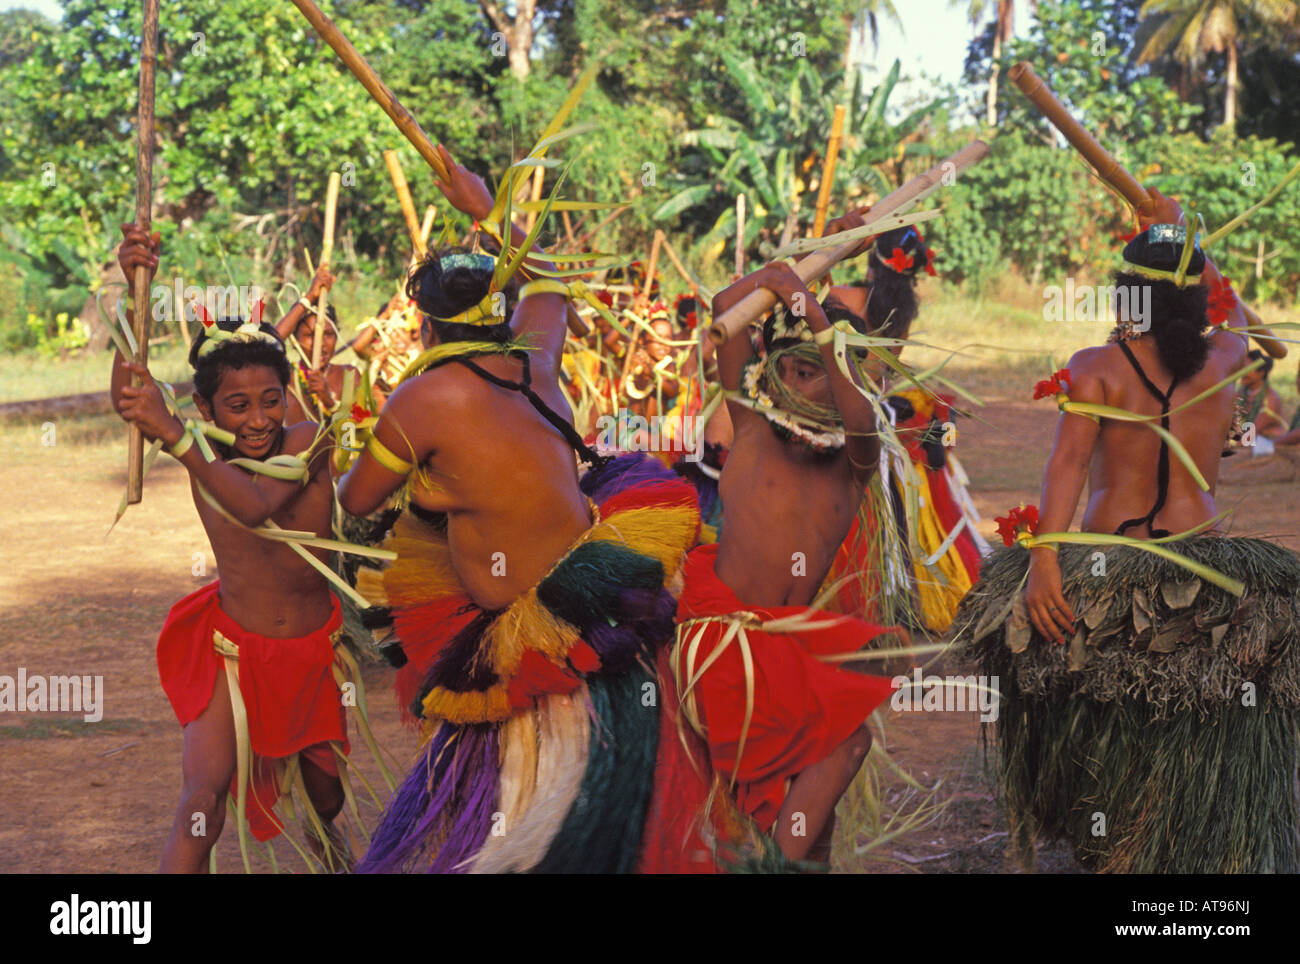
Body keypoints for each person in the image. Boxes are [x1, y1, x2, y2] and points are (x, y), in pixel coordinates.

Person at [337, 144, 701, 874]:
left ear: (426, 329)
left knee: (530, 825)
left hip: (530, 627)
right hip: (593, 585)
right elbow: (552, 284)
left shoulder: (424, 397)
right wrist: (486, 208)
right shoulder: (537, 357)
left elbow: (356, 499)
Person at [952, 187, 1300, 873]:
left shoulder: (1096, 368)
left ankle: (1116, 848)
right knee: (1185, 729)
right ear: (1195, 297)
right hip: (1203, 569)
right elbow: (1261, 333)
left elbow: (1067, 466)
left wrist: (1044, 562)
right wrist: (1186, 239)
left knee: (1107, 735)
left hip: (1109, 570)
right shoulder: (1227, 357)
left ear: (1128, 295)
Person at [111, 224, 353, 872]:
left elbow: (253, 505)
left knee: (326, 796)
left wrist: (175, 437)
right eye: (238, 405)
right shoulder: (206, 449)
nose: (258, 419)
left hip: (310, 652)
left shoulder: (308, 440)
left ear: (287, 395)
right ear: (206, 407)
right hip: (231, 653)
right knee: (201, 799)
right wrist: (134, 291)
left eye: (270, 400)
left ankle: (331, 846)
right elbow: (130, 396)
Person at [671, 251, 899, 864]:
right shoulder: (747, 425)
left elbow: (859, 414)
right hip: (724, 649)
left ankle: (777, 860)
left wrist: (814, 317)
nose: (797, 386)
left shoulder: (855, 461)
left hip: (777, 658)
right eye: (790, 370)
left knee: (813, 822)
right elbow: (727, 308)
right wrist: (779, 275)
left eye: (815, 373)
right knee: (846, 744)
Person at [275, 266, 363, 424]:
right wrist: (309, 298)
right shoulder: (285, 378)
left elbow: (355, 432)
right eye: (310, 335)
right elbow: (269, 343)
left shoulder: (349, 376)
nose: (320, 344)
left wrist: (329, 402)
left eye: (327, 334)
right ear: (293, 341)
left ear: (336, 335)